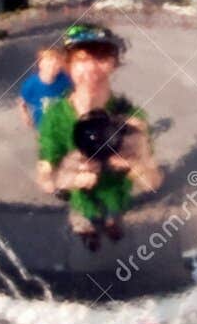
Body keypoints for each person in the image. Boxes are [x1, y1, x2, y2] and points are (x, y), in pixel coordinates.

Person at [36, 23, 161, 250]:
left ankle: (112, 226)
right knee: (86, 222)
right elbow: (45, 179)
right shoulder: (55, 118)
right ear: (69, 66)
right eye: (82, 59)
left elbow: (151, 183)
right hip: (81, 202)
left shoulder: (131, 117)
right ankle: (90, 234)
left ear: (114, 64)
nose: (92, 69)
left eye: (102, 58)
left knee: (114, 218)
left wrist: (140, 161)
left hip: (117, 197)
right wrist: (67, 177)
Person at [18, 44, 71, 130]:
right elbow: (22, 100)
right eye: (49, 62)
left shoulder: (64, 79)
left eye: (57, 63)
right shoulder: (31, 84)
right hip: (43, 124)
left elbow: (72, 91)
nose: (53, 66)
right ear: (40, 64)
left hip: (63, 122)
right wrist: (24, 114)